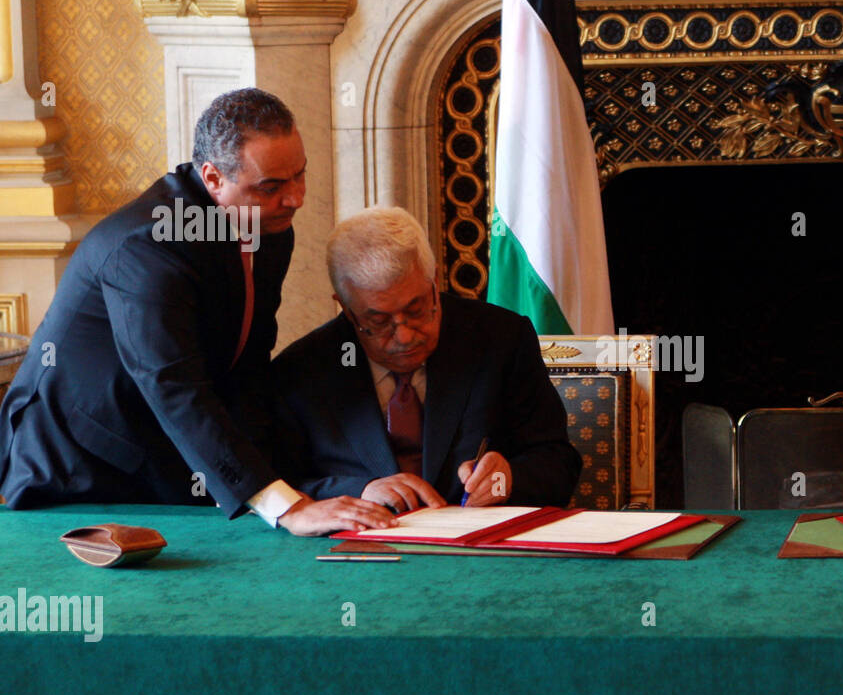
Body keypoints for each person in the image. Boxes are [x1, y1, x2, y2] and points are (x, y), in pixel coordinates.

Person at [0, 88, 395, 536]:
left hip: (166, 452)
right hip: (77, 469)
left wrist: (293, 488)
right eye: (272, 186)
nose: (296, 199)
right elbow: (174, 387)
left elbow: (246, 369)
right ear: (212, 178)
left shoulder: (268, 225)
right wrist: (284, 506)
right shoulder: (147, 246)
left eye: (299, 176)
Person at [272, 206, 580, 511]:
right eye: (378, 322)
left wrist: (507, 479)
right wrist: (360, 491)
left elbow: (558, 463)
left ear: (434, 280)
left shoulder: (501, 339)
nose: (404, 336)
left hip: (479, 549)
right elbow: (275, 485)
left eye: (416, 309)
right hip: (362, 551)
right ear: (346, 308)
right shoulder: (305, 369)